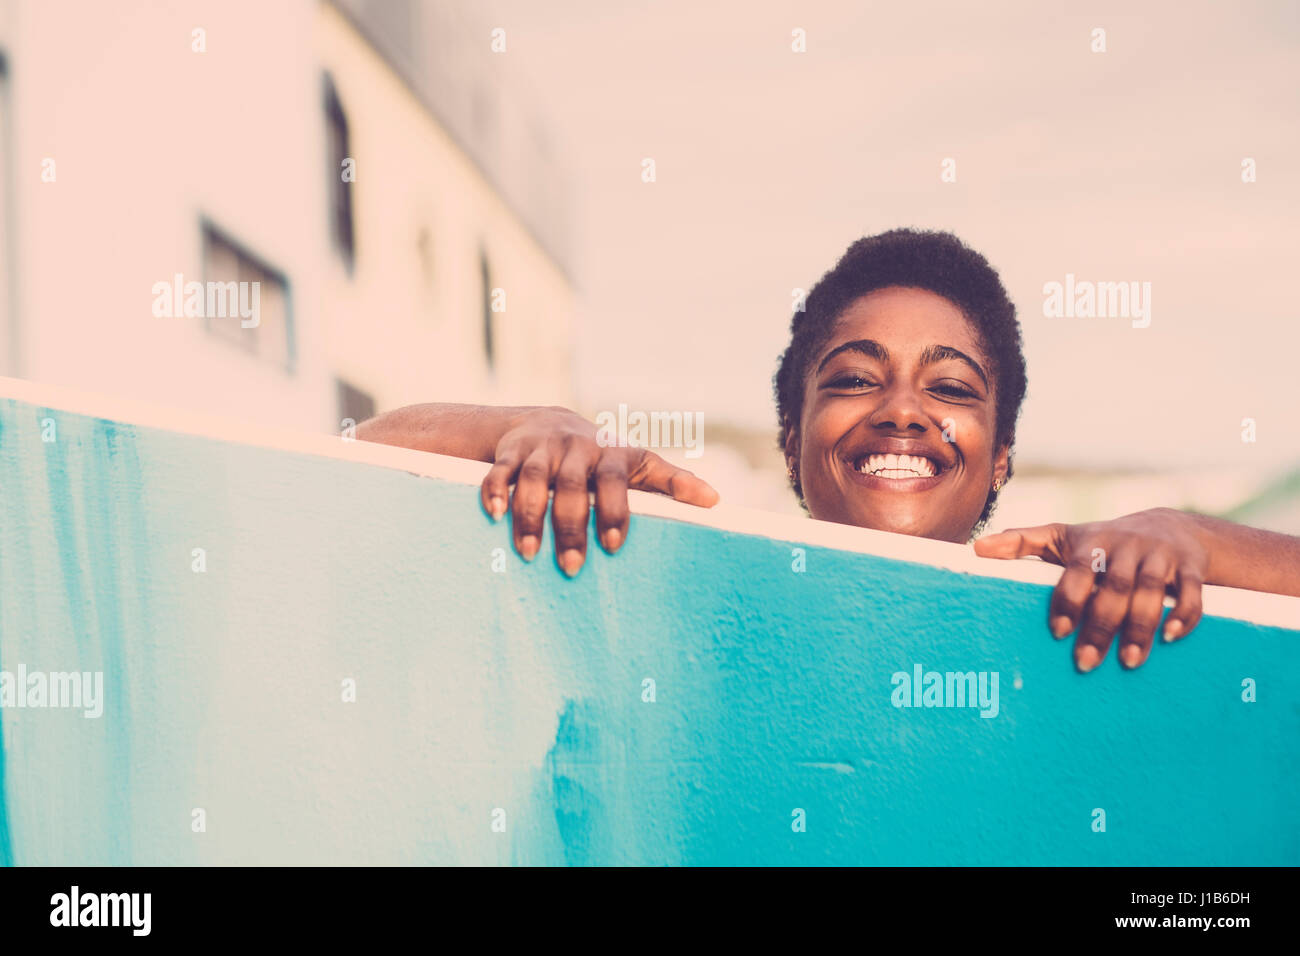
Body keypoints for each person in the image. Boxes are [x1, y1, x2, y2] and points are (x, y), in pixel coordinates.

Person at [358, 229, 1300, 672]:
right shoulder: (675, 582)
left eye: (951, 388)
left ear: (1002, 456)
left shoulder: (1090, 614)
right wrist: (527, 429)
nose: (903, 412)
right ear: (790, 437)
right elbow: (346, 458)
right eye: (854, 378)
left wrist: (1191, 537)